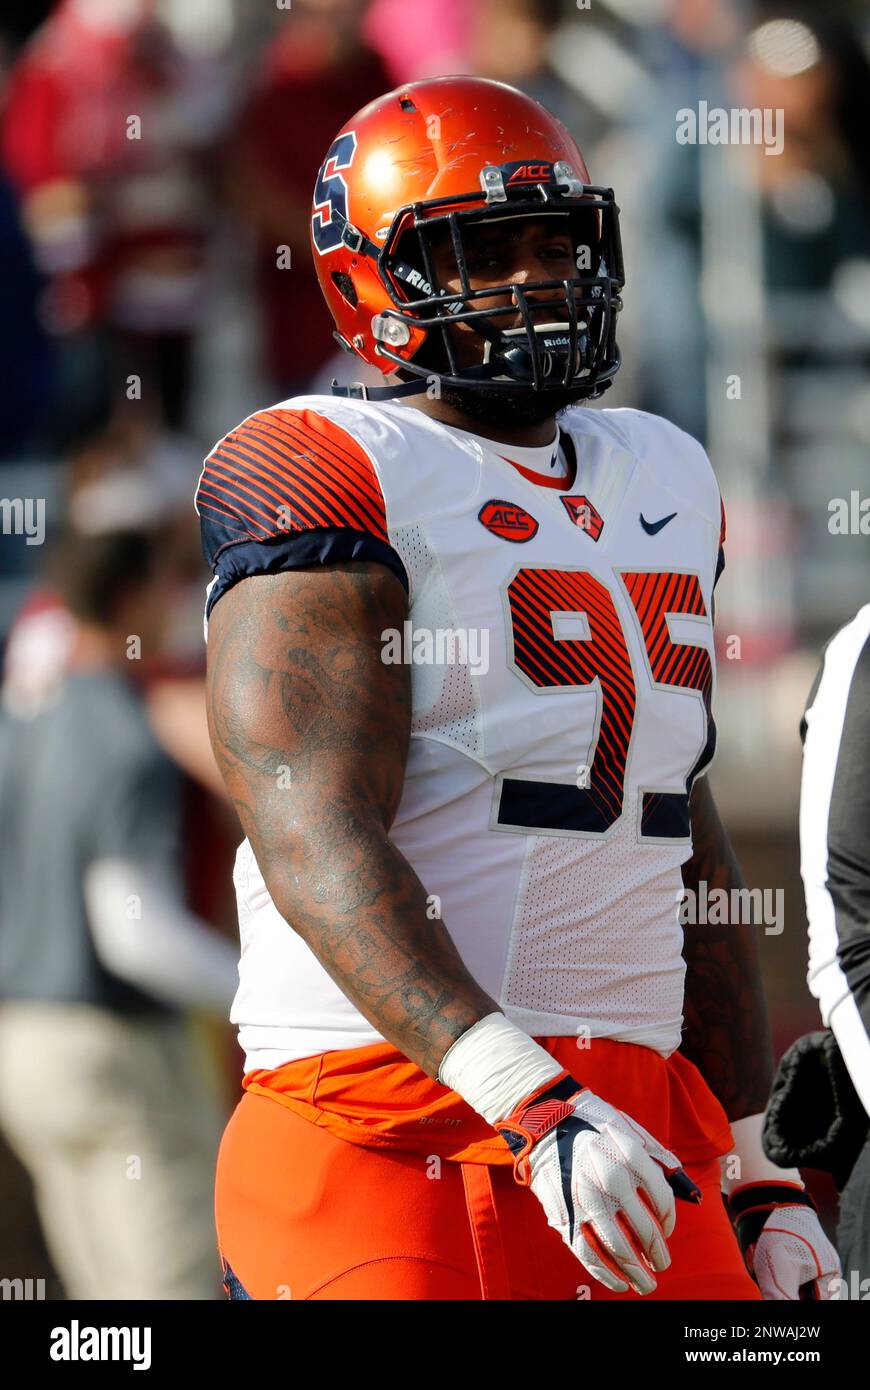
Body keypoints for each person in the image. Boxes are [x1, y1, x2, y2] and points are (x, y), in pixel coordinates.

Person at [196, 75, 838, 1301]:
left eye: (559, 244)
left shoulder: (665, 468)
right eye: (487, 253)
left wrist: (752, 1161)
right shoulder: (326, 464)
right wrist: (525, 1093)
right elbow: (310, 825)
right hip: (394, 1119)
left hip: (635, 1126)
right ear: (368, 280)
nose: (539, 281)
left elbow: (673, 827)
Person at [0, 526, 239, 1299]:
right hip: (114, 1046)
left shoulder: (25, 721)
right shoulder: (119, 731)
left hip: (24, 1044)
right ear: (132, 597)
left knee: (102, 1308)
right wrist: (258, 994)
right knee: (167, 1287)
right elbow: (133, 933)